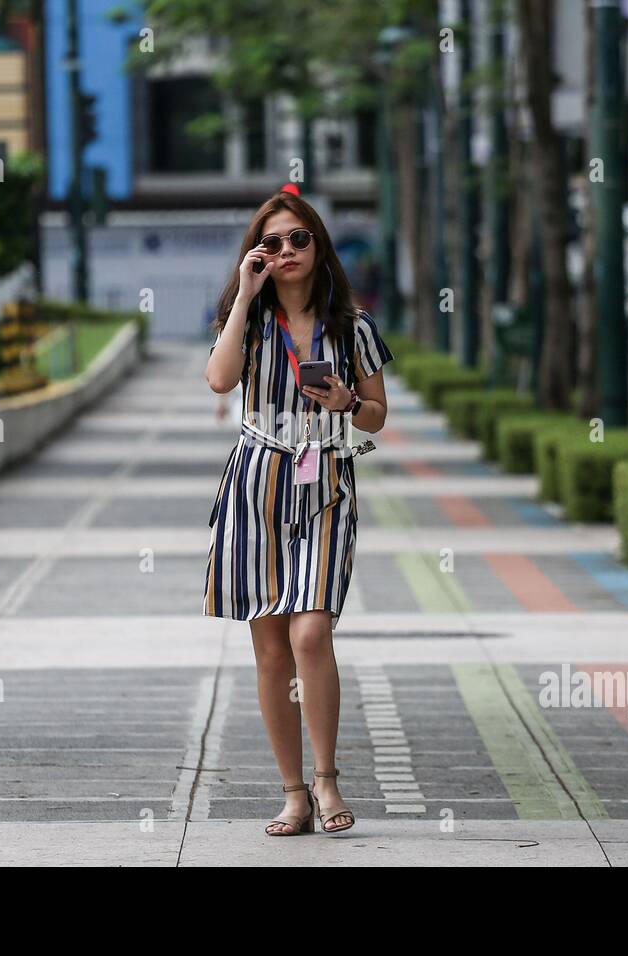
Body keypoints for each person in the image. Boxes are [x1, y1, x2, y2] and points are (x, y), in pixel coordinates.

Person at [203, 191, 394, 836]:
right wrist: (244, 294)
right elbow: (220, 380)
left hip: (327, 483)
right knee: (268, 647)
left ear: (319, 247)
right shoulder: (249, 320)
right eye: (273, 243)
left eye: (299, 240)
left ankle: (327, 777)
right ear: (257, 252)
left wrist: (344, 399)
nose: (286, 252)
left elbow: (377, 414)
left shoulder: (354, 326)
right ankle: (292, 793)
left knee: (311, 633)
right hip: (256, 484)